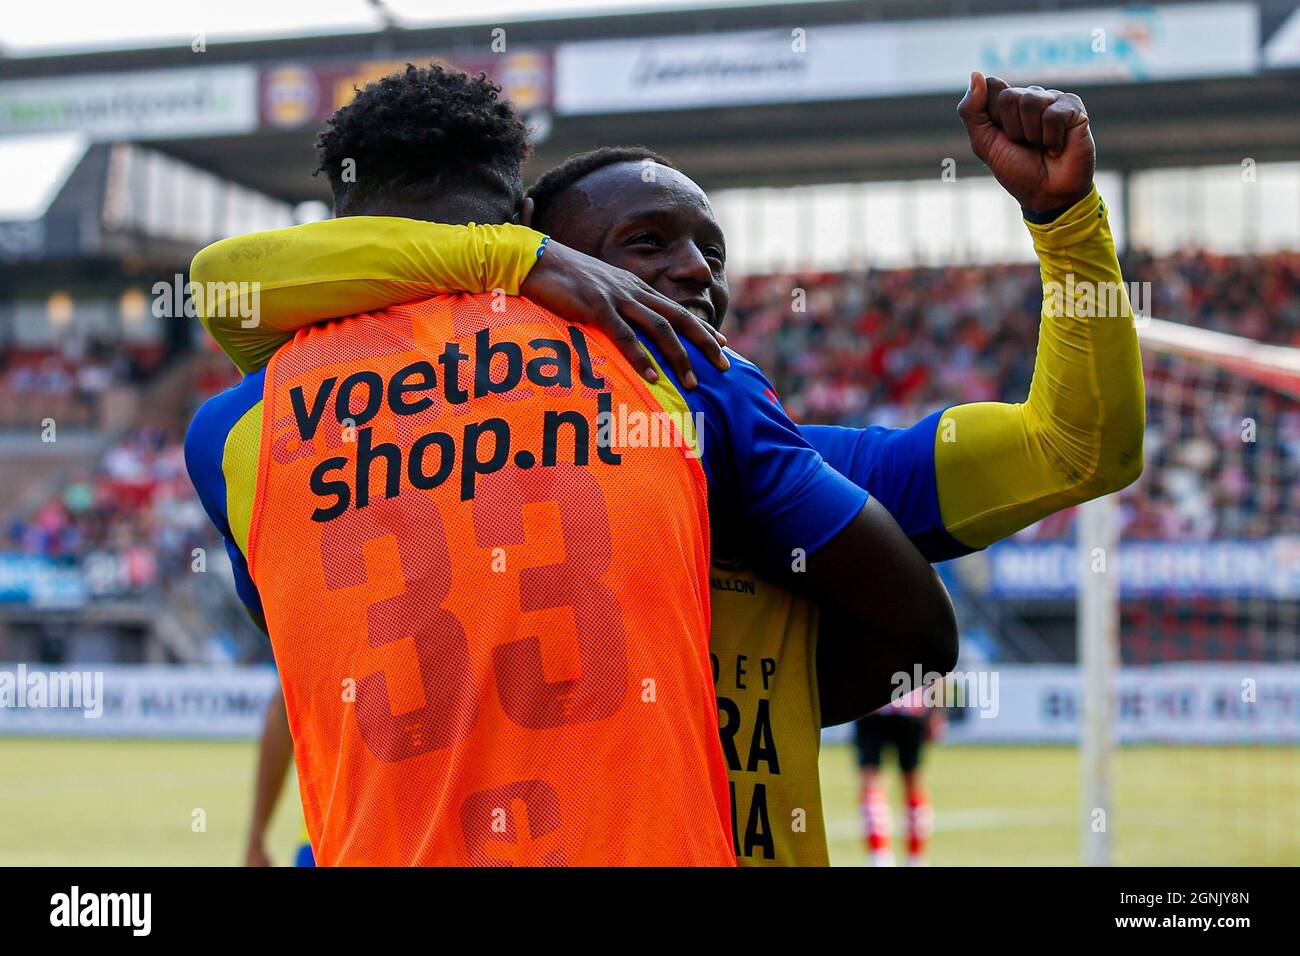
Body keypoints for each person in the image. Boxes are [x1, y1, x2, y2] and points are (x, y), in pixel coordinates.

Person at [193, 69, 1140, 865]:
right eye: (645, 245)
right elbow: (927, 631)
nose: (696, 271)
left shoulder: (244, 433)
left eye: (711, 250)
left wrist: (1064, 221)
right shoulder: (687, 394)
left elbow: (1074, 450)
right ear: (547, 255)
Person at [853, 689, 944, 867]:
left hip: (871, 706)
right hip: (909, 705)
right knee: (911, 783)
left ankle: (881, 859)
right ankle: (913, 859)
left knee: (872, 781)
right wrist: (936, 709)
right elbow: (938, 673)